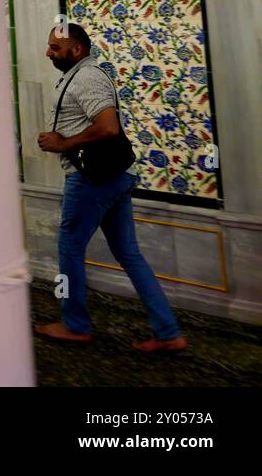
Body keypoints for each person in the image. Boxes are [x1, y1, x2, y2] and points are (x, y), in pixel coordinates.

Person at [34, 22, 187, 353]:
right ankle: (168, 332)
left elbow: (107, 127)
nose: (48, 52)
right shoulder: (80, 75)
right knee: (129, 254)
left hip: (91, 179)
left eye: (55, 48)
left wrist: (64, 143)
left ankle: (74, 325)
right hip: (114, 177)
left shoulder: (87, 77)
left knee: (69, 249)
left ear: (77, 50)